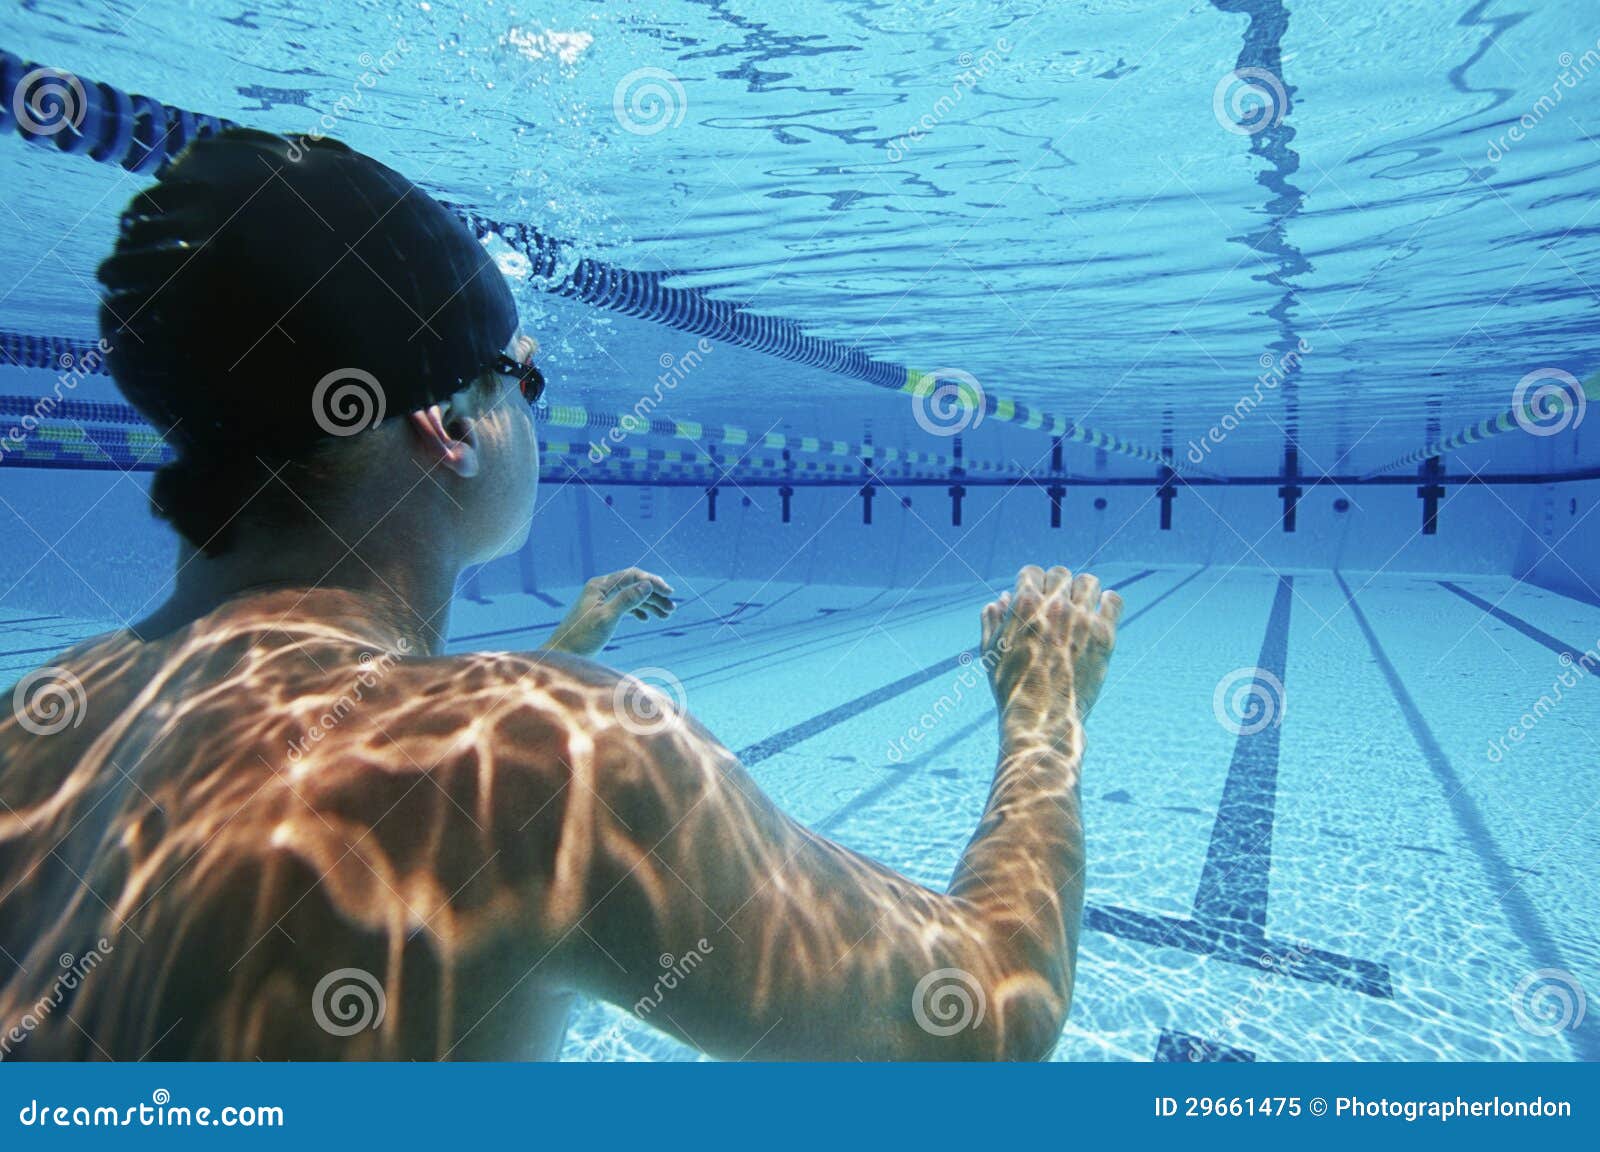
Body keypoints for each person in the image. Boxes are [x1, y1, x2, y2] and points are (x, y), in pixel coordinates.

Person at [0, 129, 1122, 1061]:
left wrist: (567, 643)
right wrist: (1044, 720)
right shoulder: (558, 759)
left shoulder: (39, 719)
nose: (539, 415)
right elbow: (985, 1012)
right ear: (445, 425)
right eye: (523, 378)